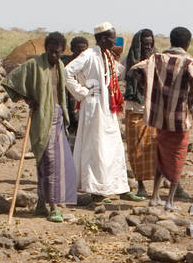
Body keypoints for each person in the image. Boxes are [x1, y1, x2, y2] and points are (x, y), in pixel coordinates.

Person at [3, 31, 77, 222]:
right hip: (42, 118)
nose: (54, 56)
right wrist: (28, 99)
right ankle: (53, 207)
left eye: (58, 52)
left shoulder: (60, 65)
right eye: (51, 52)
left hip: (58, 115)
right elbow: (11, 80)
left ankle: (41, 204)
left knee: (52, 162)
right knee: (49, 162)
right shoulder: (34, 65)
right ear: (46, 49)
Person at [132, 26, 193, 211]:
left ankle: (154, 196)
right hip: (180, 119)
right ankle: (170, 199)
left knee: (161, 155)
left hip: (160, 118)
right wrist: (191, 96)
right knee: (177, 156)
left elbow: (136, 69)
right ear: (187, 43)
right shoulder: (188, 61)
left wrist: (148, 90)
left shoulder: (157, 58)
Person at [64, 22, 130, 206]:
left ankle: (111, 187)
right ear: (101, 39)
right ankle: (95, 190)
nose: (113, 41)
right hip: (93, 106)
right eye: (111, 38)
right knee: (95, 148)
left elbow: (117, 73)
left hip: (108, 106)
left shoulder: (107, 55)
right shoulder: (89, 54)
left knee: (111, 146)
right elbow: (67, 72)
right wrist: (82, 91)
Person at [121, 29, 158, 201]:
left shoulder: (157, 60)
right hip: (135, 108)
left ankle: (157, 187)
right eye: (145, 45)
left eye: (150, 44)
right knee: (136, 149)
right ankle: (141, 185)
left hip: (154, 110)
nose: (148, 48)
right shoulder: (129, 64)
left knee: (155, 147)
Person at [61, 35, 89, 147]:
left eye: (84, 50)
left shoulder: (88, 64)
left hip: (82, 103)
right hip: (66, 102)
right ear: (72, 49)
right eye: (79, 49)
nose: (81, 52)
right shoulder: (64, 64)